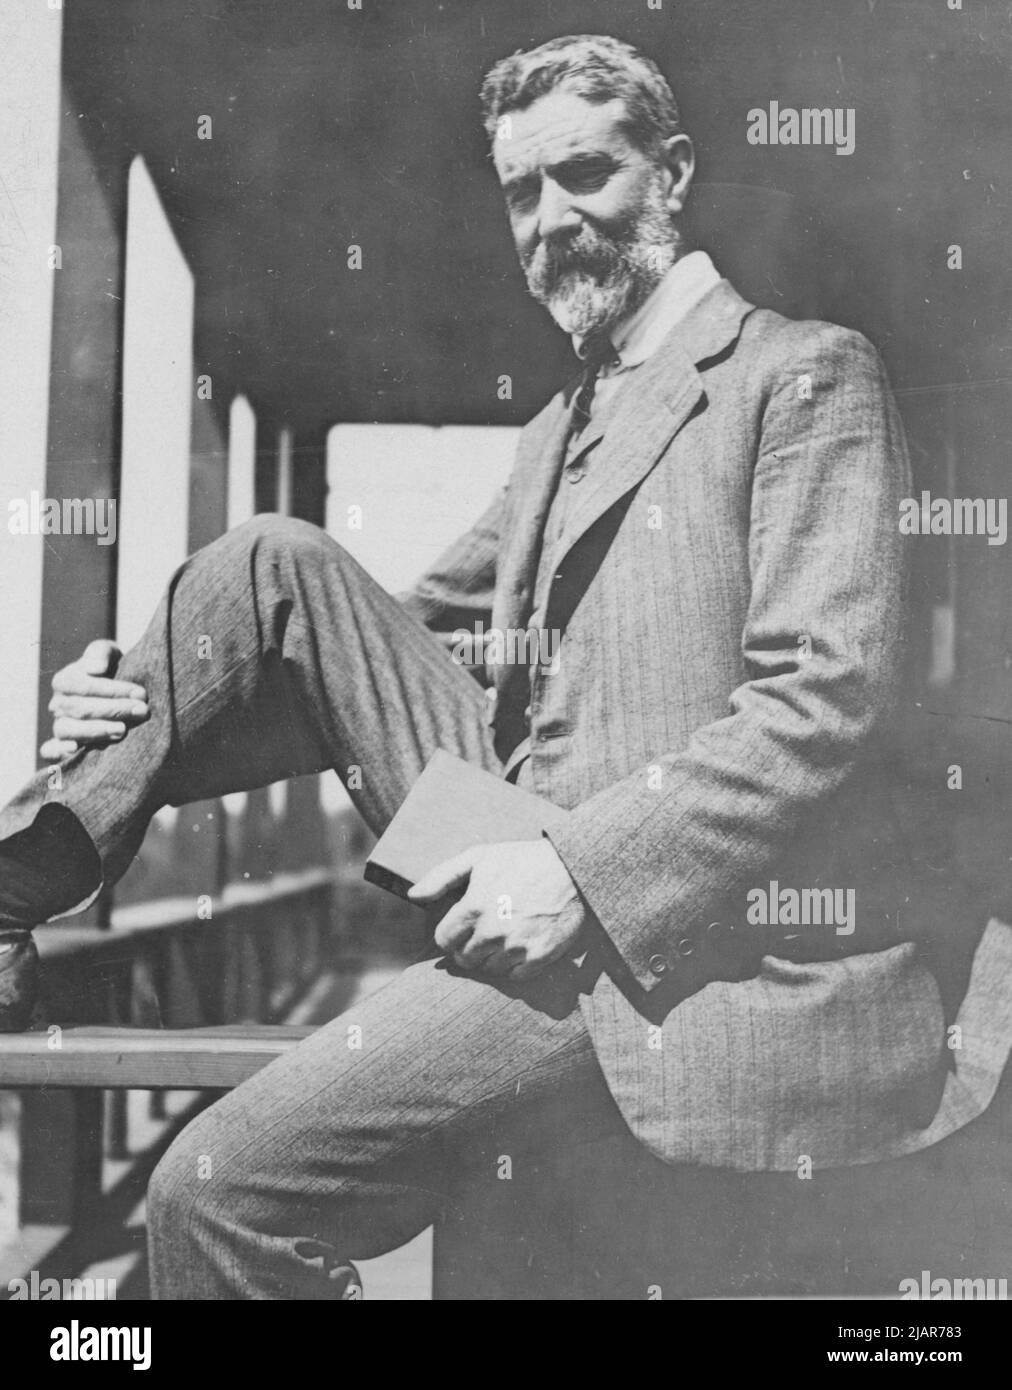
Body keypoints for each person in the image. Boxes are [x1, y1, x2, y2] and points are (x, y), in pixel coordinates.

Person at [1, 34, 1009, 1299]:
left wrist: (575, 876)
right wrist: (134, 700)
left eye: (585, 174)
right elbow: (344, 647)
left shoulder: (800, 374)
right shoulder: (556, 428)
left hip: (673, 944)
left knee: (212, 1190)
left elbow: (816, 704)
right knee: (268, 561)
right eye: (523, 192)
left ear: (672, 170)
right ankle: (15, 875)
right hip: (514, 849)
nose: (553, 220)